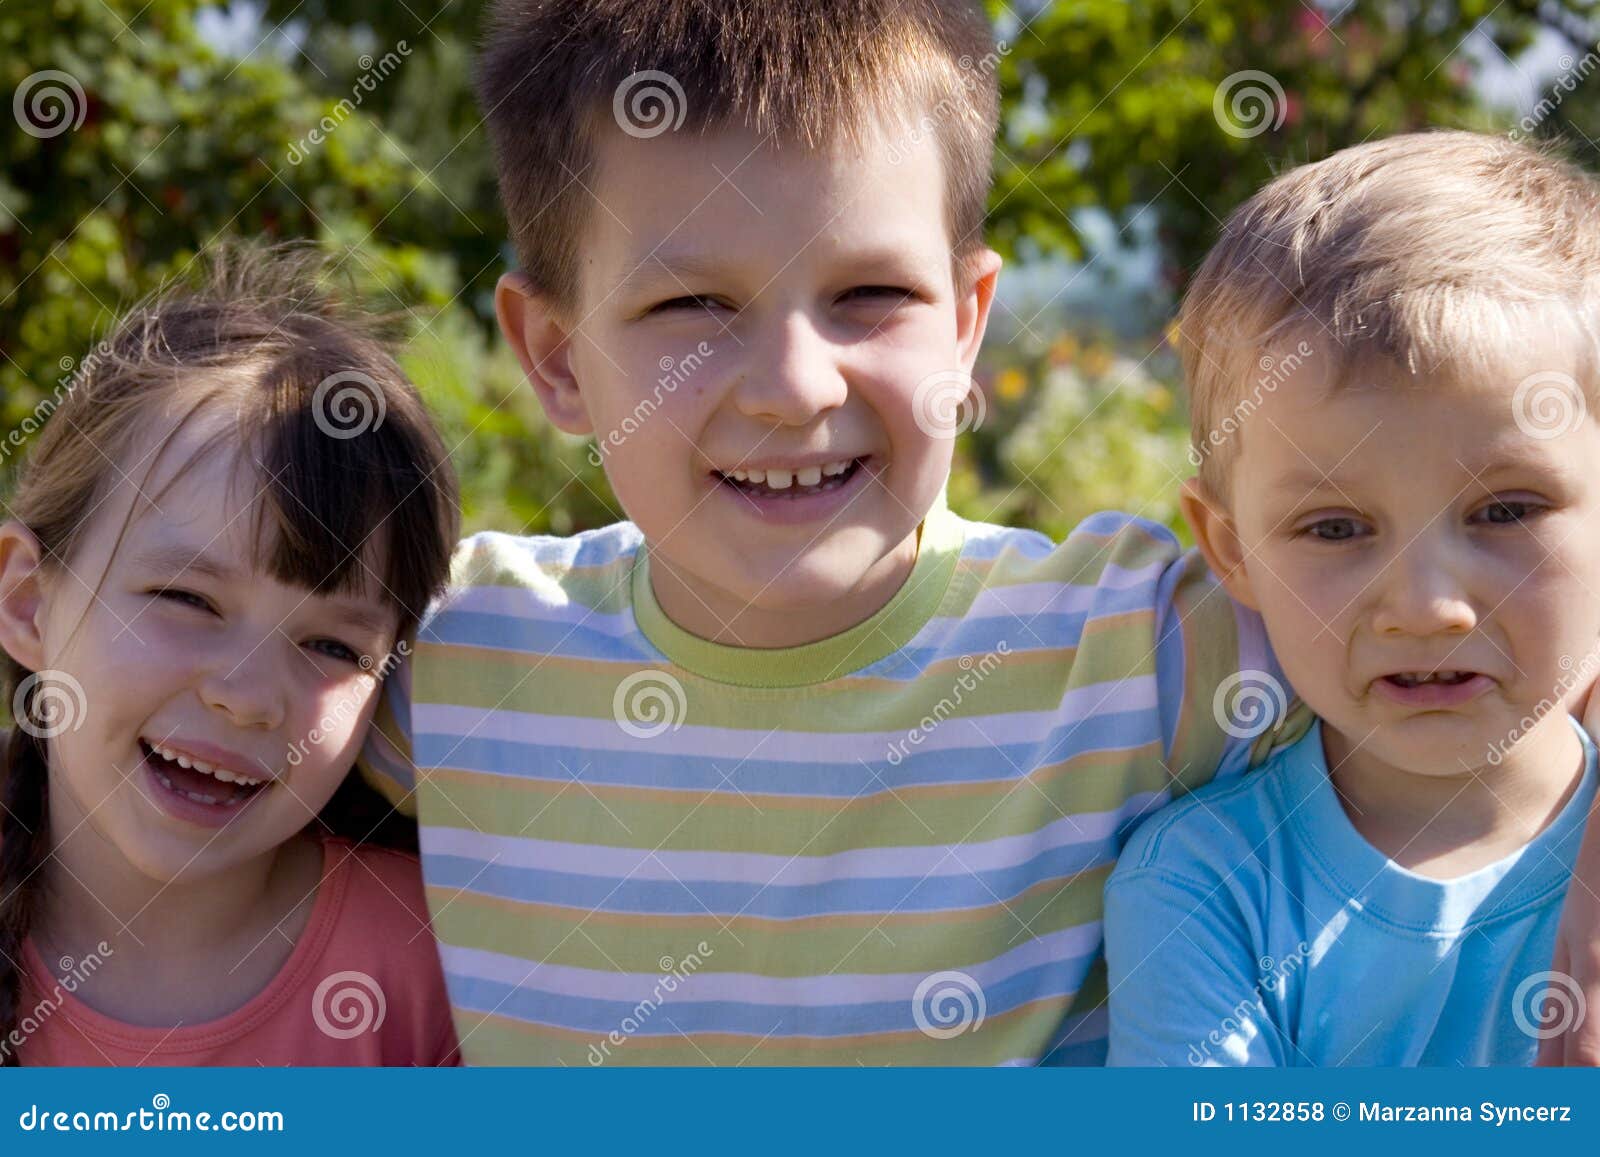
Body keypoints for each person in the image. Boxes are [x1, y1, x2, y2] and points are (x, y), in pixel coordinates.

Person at [360, 1, 1600, 1065]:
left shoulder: (1150, 651)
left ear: (967, 321)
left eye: (870, 295)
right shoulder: (446, 656)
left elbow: (1506, 606)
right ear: (557, 356)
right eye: (693, 305)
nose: (794, 384)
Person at [1105, 130, 1600, 1066]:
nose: (1424, 606)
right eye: (1335, 527)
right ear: (1230, 548)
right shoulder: (1204, 892)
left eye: (1505, 509)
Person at [0, 246, 462, 1066]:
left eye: (331, 644)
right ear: (27, 601)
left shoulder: (435, 975)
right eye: (188, 598)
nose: (247, 696)